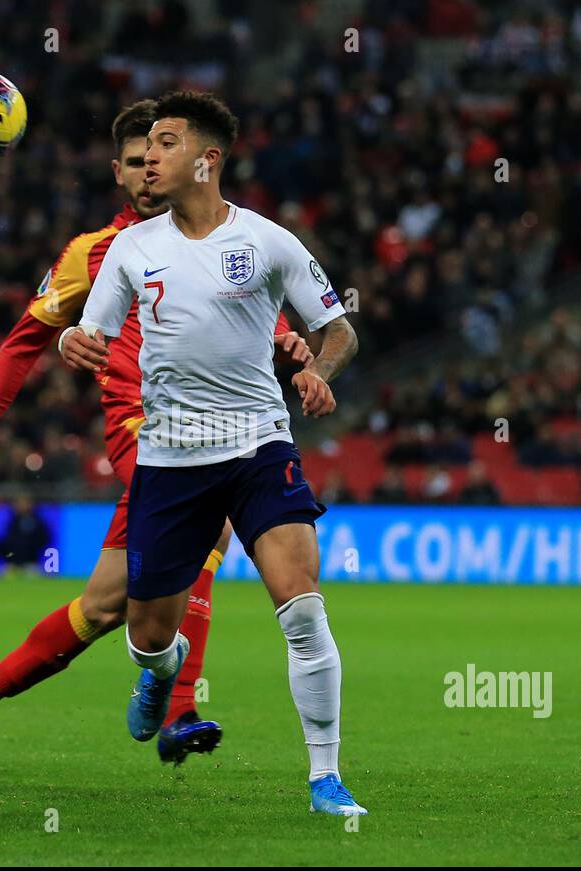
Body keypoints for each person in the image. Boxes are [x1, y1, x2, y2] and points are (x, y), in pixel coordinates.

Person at [0, 100, 312, 776]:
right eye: (135, 162)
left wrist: (287, 340)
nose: (147, 172)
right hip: (144, 428)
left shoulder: (224, 242)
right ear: (117, 172)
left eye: (157, 156)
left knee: (104, 606)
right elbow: (22, 345)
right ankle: (179, 707)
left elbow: (242, 318)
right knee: (214, 520)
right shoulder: (95, 253)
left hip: (212, 421)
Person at [64, 91, 366, 816]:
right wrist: (75, 341)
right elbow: (94, 337)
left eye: (164, 144)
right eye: (144, 149)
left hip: (259, 445)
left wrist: (316, 374)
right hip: (170, 461)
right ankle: (160, 674)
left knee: (302, 609)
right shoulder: (132, 248)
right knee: (147, 636)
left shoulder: (267, 241)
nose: (148, 160)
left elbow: (339, 330)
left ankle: (325, 777)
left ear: (207, 160)